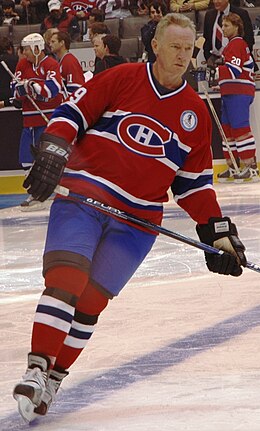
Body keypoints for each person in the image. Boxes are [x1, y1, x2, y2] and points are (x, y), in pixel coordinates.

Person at [12, 13, 247, 423]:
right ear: (154, 46)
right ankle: (37, 366)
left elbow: (194, 187)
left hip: (137, 222)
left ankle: (55, 377)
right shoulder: (121, 78)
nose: (181, 55)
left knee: (90, 303)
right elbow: (73, 114)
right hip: (85, 198)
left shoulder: (193, 112)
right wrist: (54, 147)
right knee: (67, 278)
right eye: (174, 46)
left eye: (188, 49)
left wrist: (218, 232)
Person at [12, 32, 63, 209]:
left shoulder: (51, 64)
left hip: (49, 119)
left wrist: (32, 86)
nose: (23, 52)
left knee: (48, 157)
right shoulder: (22, 64)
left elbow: (52, 90)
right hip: (29, 120)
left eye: (26, 49)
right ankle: (35, 191)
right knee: (25, 157)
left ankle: (47, 191)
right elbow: (15, 90)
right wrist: (22, 88)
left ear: (36, 48)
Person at [214, 13, 259, 182]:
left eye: (226, 25)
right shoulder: (231, 46)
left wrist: (216, 71)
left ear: (236, 27)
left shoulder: (237, 43)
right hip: (230, 91)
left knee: (240, 129)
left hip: (239, 91)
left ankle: (250, 166)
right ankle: (233, 166)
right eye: (222, 25)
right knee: (227, 131)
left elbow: (234, 70)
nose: (223, 29)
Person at [203, 0, 255, 69]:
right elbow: (206, 40)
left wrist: (234, 59)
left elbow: (249, 40)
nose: (215, 2)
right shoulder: (209, 15)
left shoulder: (241, 13)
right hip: (214, 65)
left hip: (238, 64)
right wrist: (209, 58)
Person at [49, 30, 85, 96]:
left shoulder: (69, 61)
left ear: (62, 43)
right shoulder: (63, 60)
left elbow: (76, 89)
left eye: (53, 42)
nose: (50, 45)